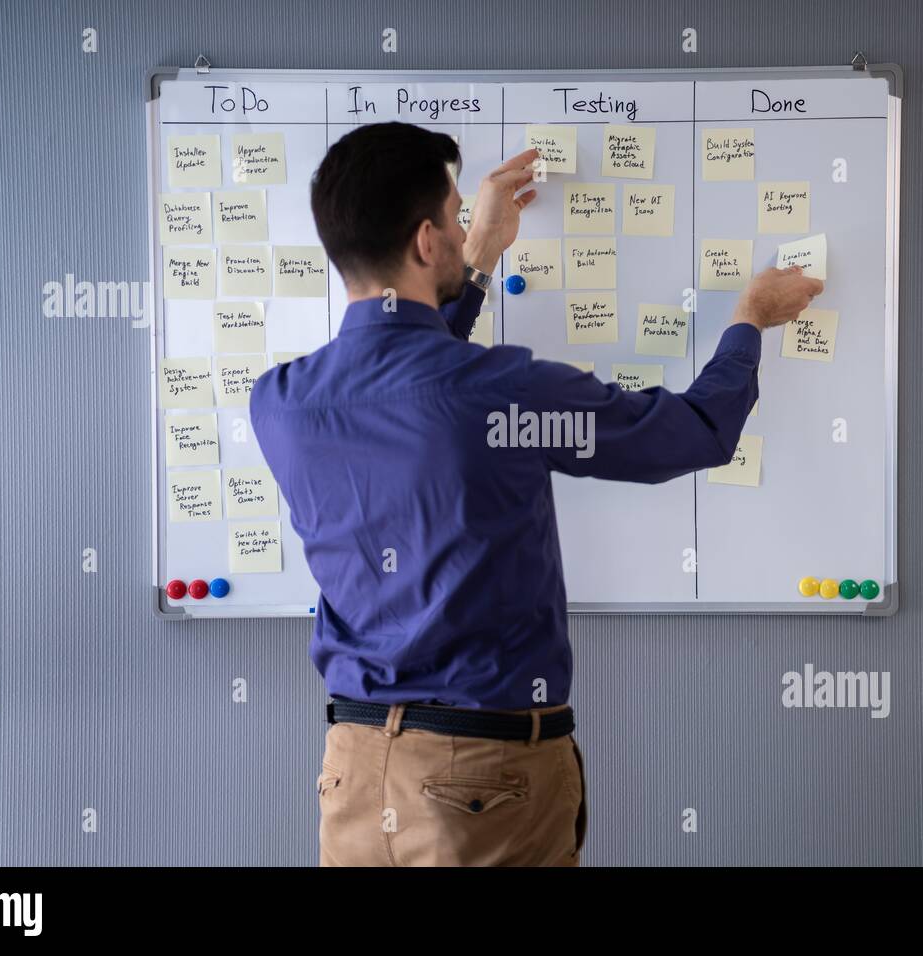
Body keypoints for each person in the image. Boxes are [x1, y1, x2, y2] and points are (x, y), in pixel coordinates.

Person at [249, 121, 823, 866]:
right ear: (426, 242)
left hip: (353, 772)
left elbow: (411, 380)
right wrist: (749, 318)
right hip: (484, 781)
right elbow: (695, 433)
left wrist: (480, 254)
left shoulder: (280, 403)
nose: (462, 230)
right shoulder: (503, 393)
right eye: (455, 219)